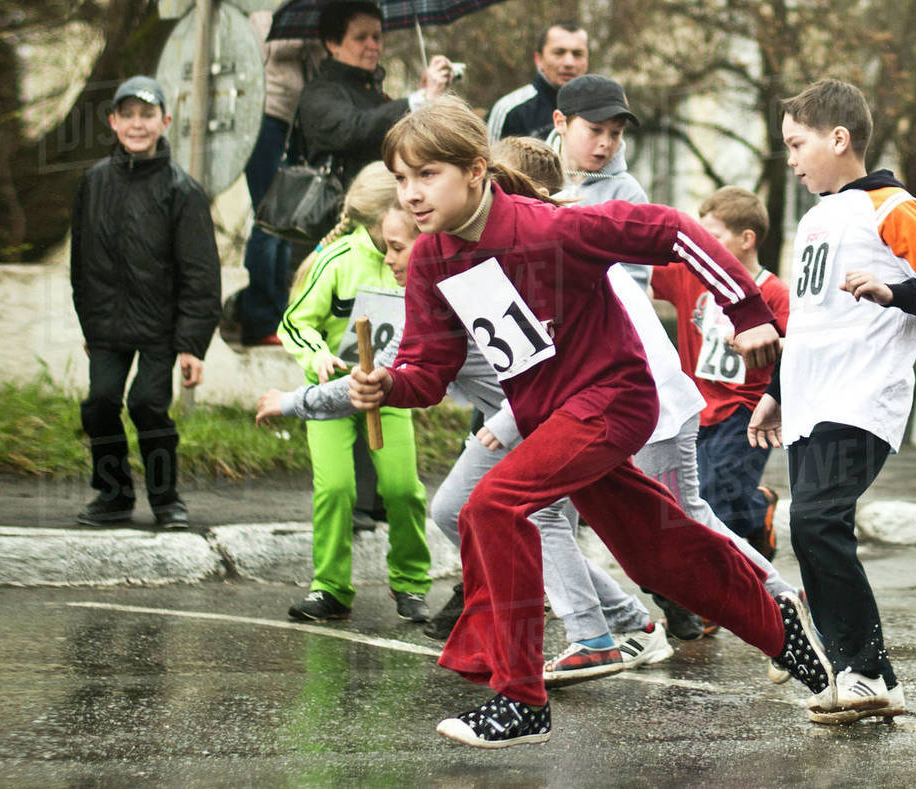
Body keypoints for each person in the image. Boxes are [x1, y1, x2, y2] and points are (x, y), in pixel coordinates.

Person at [349, 96, 838, 748]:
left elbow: (670, 229)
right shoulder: (434, 259)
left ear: (474, 171)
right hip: (556, 418)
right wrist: (386, 384)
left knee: (492, 504)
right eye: (401, 178)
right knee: (657, 553)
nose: (409, 194)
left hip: (616, 396)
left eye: (426, 175)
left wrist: (746, 308)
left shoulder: (550, 229)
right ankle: (785, 629)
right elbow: (428, 370)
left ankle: (521, 700)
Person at [260, 195, 674, 681]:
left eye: (397, 248)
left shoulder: (474, 288)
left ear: (431, 245)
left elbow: (539, 364)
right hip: (508, 420)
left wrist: (289, 402)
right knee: (453, 510)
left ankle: (593, 636)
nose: (389, 258)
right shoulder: (427, 299)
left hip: (553, 415)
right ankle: (631, 621)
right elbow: (382, 376)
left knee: (536, 514)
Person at [540, 76, 797, 649]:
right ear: (560, 124)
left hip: (637, 384)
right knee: (556, 510)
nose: (604, 144)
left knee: (682, 513)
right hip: (580, 385)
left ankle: (775, 598)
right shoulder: (536, 177)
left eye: (614, 134)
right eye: (594, 131)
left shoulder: (625, 194)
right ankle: (610, 629)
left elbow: (624, 290)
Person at [749, 78, 916, 724]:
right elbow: (811, 322)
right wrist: (776, 393)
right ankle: (860, 674)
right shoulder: (818, 217)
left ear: (838, 138)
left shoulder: (893, 207)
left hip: (862, 397)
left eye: (797, 143)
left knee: (817, 521)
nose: (790, 158)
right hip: (813, 400)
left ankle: (868, 671)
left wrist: (891, 291)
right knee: (810, 528)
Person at [277, 161, 431, 624]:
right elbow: (294, 322)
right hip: (330, 394)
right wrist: (317, 356)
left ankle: (411, 584)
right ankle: (330, 588)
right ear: (382, 215)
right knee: (336, 488)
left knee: (404, 490)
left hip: (387, 392)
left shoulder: (418, 258)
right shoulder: (337, 260)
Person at [70, 75, 221, 530]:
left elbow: (201, 273)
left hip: (161, 327)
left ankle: (165, 499)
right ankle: (113, 495)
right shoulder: (94, 182)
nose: (137, 124)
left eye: (147, 115)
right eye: (128, 115)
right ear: (114, 121)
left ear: (164, 121)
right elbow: (82, 264)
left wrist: (191, 343)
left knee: (147, 404)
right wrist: (90, 329)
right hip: (107, 327)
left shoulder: (182, 190)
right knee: (99, 403)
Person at [651, 187, 788, 562]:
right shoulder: (689, 276)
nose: (702, 245)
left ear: (747, 239)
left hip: (745, 413)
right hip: (696, 410)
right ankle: (758, 510)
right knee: (693, 501)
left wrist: (774, 343)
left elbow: (797, 350)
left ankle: (725, 596)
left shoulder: (774, 294)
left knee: (717, 501)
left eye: (712, 237)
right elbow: (638, 273)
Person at [233, 11, 323, 347]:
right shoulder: (263, 10)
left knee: (282, 223)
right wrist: (313, 28)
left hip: (289, 116)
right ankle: (257, 318)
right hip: (263, 114)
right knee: (268, 221)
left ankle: (277, 315)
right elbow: (272, 45)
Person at [297, 0, 453, 189]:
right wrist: (417, 102)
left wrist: (423, 99)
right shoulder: (318, 93)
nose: (373, 45)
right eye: (360, 38)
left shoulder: (372, 89)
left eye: (377, 37)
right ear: (332, 44)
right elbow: (356, 129)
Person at [487, 21, 588, 143]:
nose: (569, 63)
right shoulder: (510, 110)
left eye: (577, 54)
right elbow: (486, 158)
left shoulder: (600, 108)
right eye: (559, 52)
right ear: (538, 59)